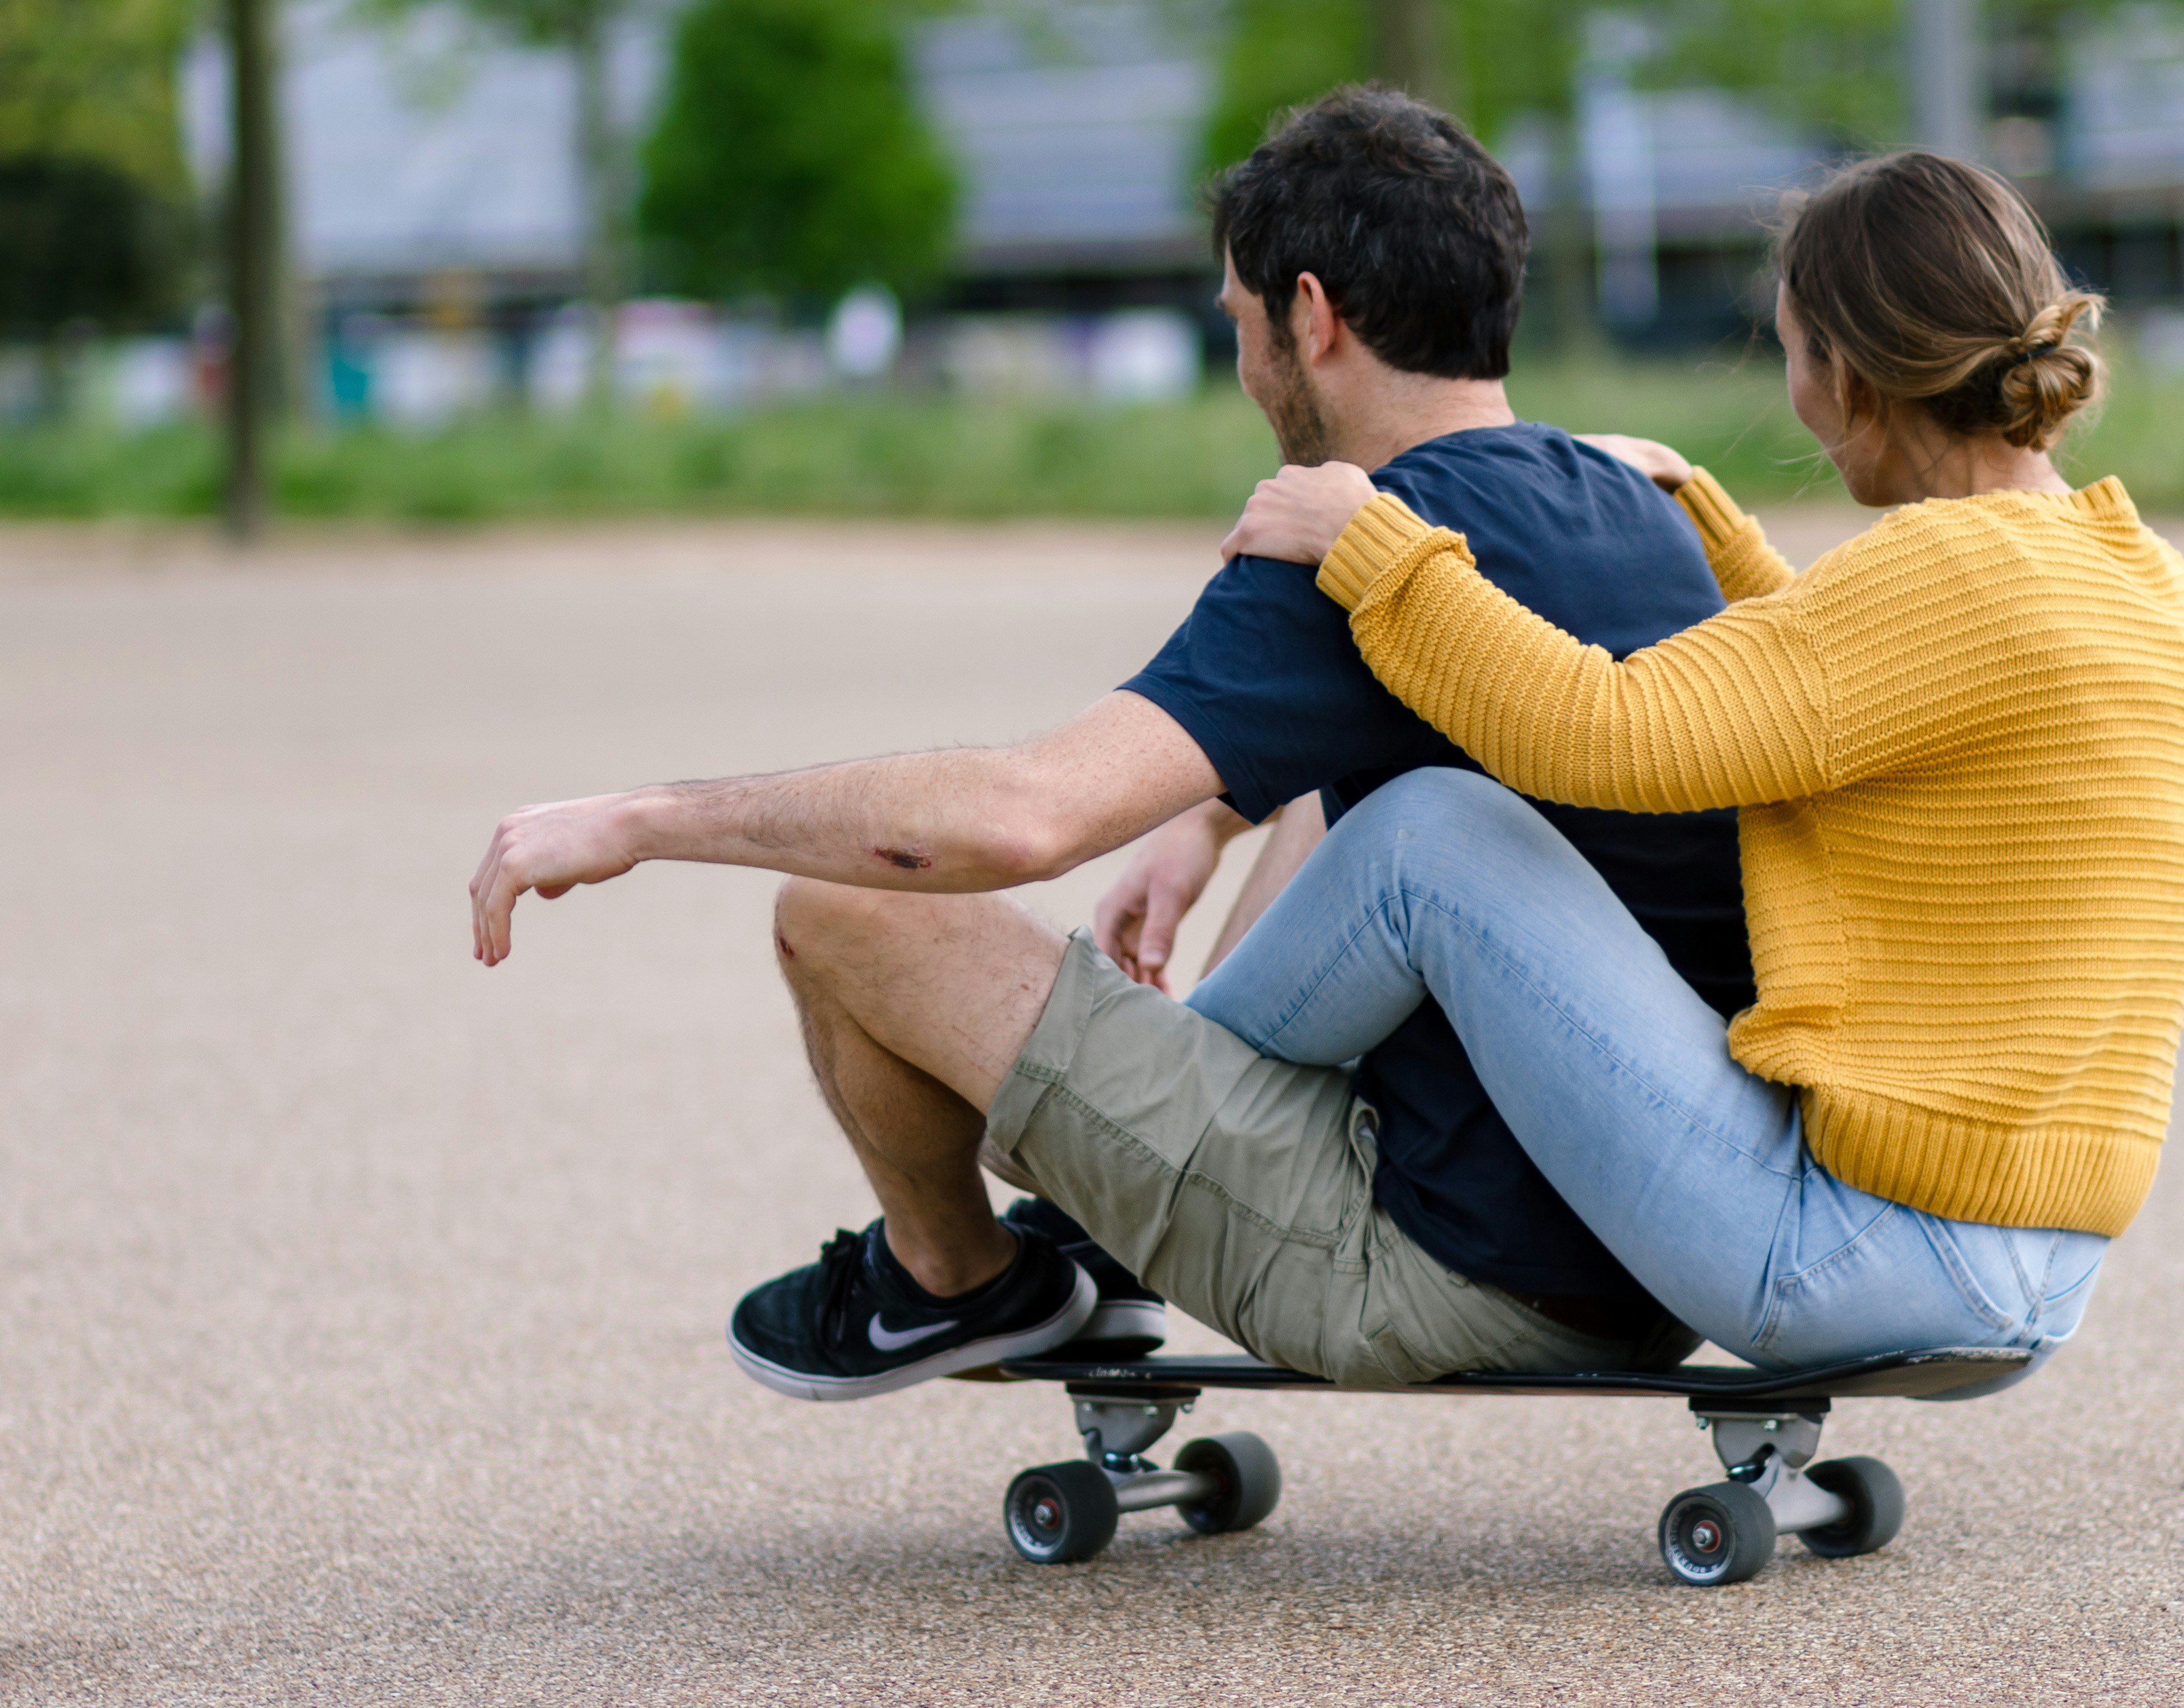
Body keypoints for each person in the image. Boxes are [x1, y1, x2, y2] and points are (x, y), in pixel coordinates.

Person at [465, 87, 1743, 1396]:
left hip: (1447, 1266)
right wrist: (1204, 819)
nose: (1247, 367)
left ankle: (951, 1281)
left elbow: (1018, 817)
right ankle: (1097, 1231)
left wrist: (641, 820)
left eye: (1243, 326)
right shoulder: (1632, 498)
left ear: (1313, 316)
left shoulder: (1358, 539)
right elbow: (1425, 707)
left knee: (847, 909)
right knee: (1365, 784)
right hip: (1654, 1247)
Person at [1202, 150, 2184, 1383]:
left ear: (1847, 373)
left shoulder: (1943, 575)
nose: (1792, 390)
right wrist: (1708, 517)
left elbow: (1605, 732)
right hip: (2032, 1263)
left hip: (1852, 1251)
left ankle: (1136, 1121)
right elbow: (1874, 697)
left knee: (1433, 836)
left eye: (1791, 350)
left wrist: (1376, 548)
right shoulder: (2137, 577)